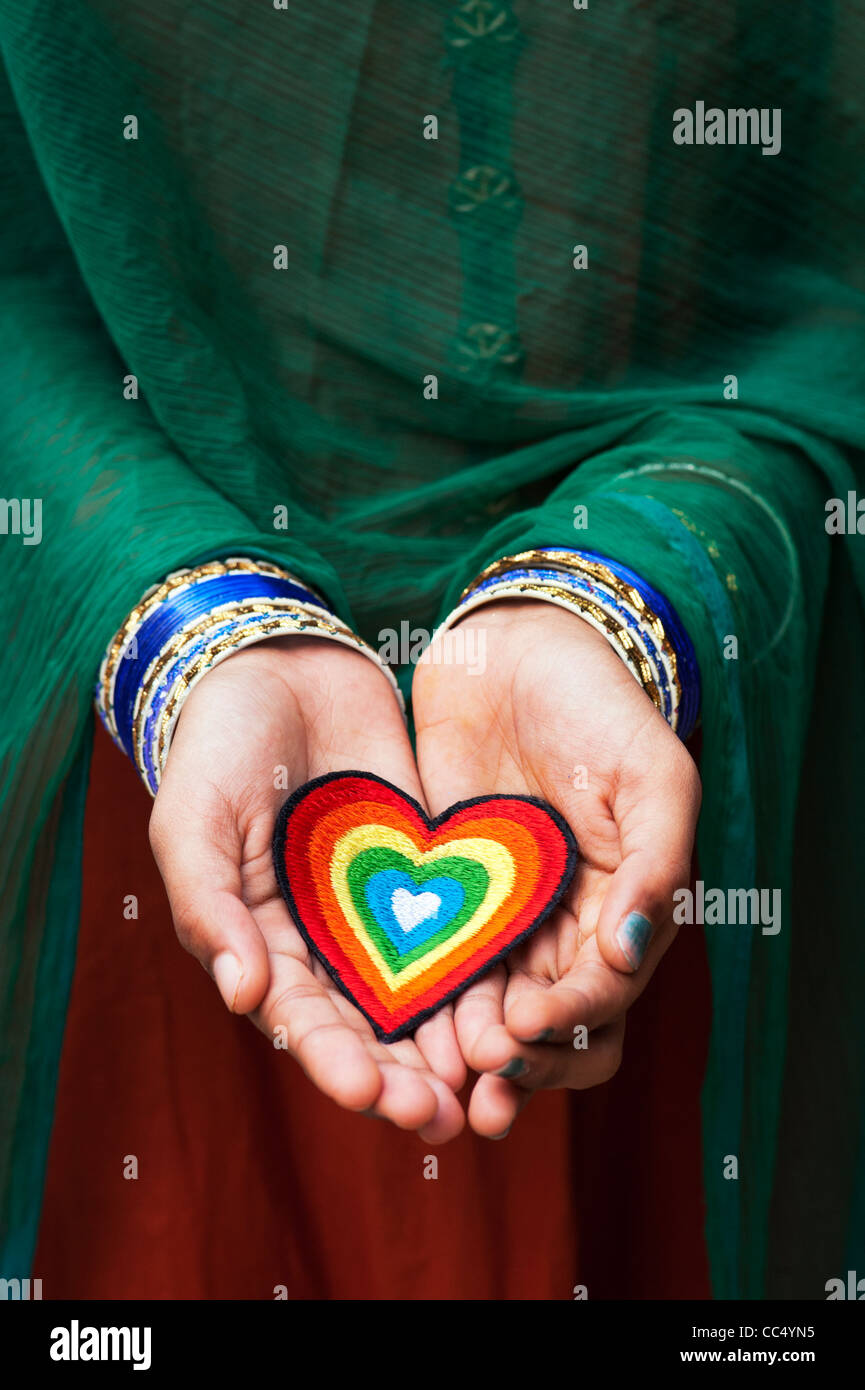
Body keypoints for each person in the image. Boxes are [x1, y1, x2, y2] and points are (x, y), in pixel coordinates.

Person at [1, 1, 863, 1300]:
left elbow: (827, 276)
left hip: (673, 794)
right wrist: (191, 638)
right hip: (148, 814)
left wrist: (621, 590)